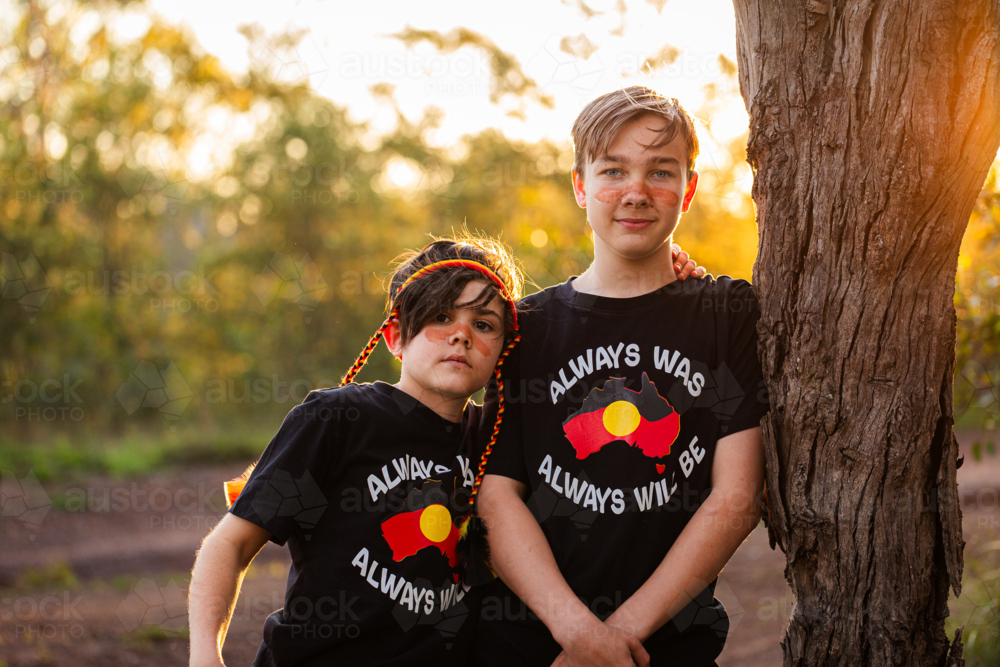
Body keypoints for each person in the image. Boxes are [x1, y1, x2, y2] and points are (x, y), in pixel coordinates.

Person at [186, 231, 705, 667]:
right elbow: (228, 545)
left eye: (483, 325)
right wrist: (205, 658)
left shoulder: (498, 439)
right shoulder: (338, 418)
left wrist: (665, 276)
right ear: (394, 336)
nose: (461, 336)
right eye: (440, 318)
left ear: (504, 350)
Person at [473, 86, 769, 667]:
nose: (636, 192)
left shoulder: (727, 314)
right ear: (580, 186)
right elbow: (497, 495)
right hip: (530, 643)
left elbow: (737, 496)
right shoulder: (526, 328)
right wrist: (578, 634)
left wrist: (614, 642)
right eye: (613, 170)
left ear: (688, 190)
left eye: (661, 172)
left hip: (664, 648)